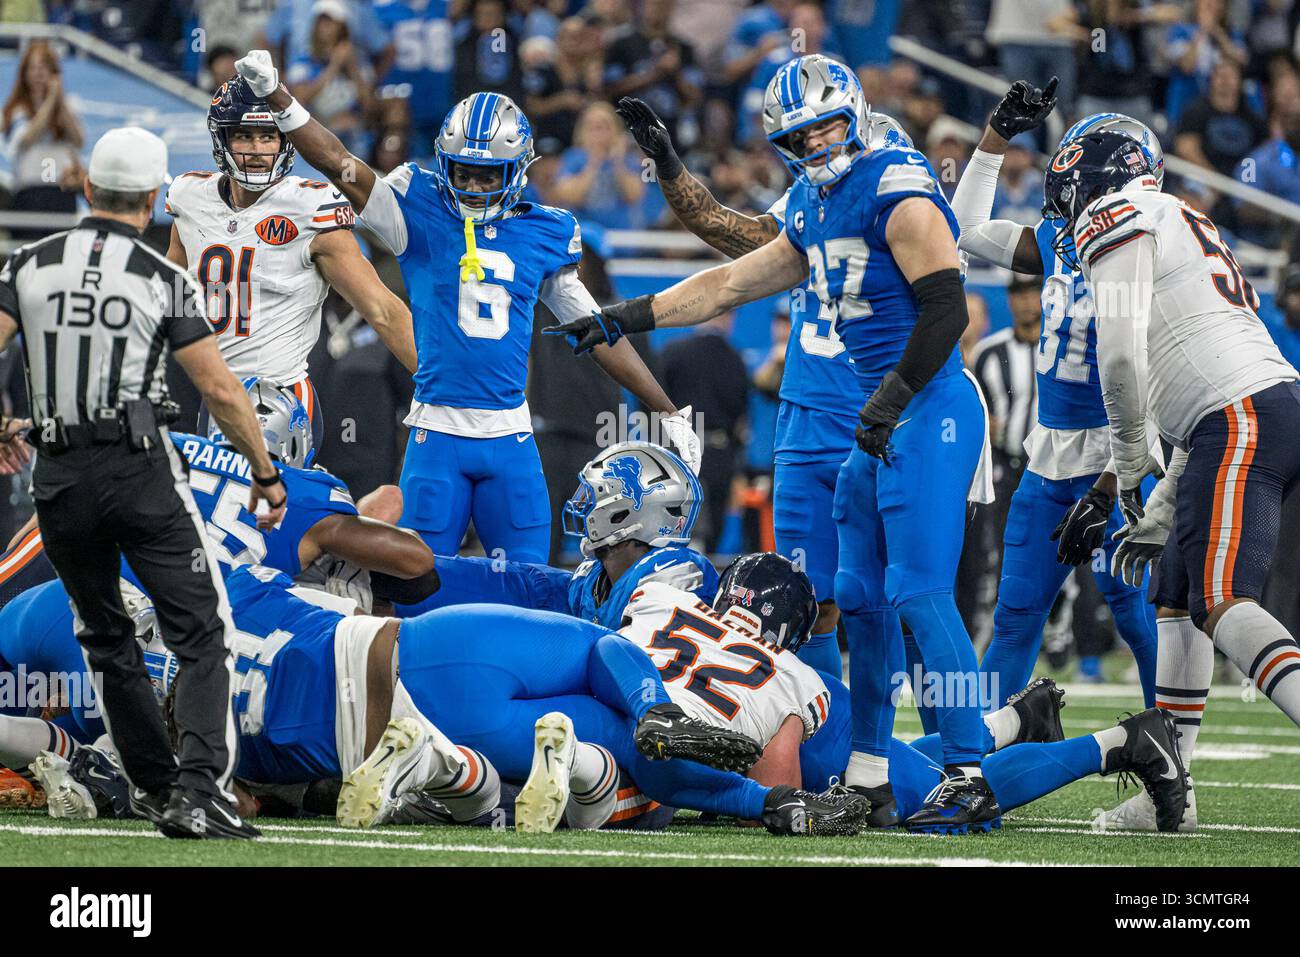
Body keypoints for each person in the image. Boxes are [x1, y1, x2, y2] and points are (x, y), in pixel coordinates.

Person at [547, 55, 1002, 834]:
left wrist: (888, 401)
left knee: (916, 592)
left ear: (854, 113)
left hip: (927, 408)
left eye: (824, 123)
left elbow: (948, 312)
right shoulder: (815, 205)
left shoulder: (897, 182)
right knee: (850, 596)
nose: (816, 141)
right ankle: (865, 769)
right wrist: (624, 315)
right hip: (882, 416)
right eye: (799, 133)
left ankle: (968, 771)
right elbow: (729, 283)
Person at [233, 50, 700, 564]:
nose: (474, 187)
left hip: (511, 437)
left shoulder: (545, 231)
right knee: (419, 589)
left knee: (526, 585)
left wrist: (667, 410)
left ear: (518, 169)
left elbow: (596, 333)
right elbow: (342, 165)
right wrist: (279, 98)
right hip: (436, 434)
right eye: (464, 172)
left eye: (488, 174)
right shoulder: (419, 203)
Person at [0, 127, 285, 840]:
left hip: (58, 472)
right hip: (138, 466)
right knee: (200, 627)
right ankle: (197, 791)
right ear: (155, 198)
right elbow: (219, 388)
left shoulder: (26, 264)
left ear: (88, 189)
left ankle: (155, 787)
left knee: (104, 633)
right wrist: (265, 471)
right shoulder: (162, 275)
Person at [1047, 129, 1300, 833]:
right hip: (1246, 411)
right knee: (1178, 598)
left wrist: (1130, 466)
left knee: (1220, 600)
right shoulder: (1177, 216)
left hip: (1238, 415)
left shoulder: (1114, 216)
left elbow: (1122, 360)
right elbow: (1191, 379)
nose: (1066, 215)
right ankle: (1174, 792)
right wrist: (1159, 501)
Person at [615, 99, 917, 681]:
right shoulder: (807, 218)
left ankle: (889, 755)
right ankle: (827, 741)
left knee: (879, 598)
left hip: (876, 421)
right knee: (809, 603)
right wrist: (671, 165)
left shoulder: (907, 217)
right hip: (805, 425)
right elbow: (723, 233)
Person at [950, 89, 1159, 710]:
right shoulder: (1058, 241)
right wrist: (995, 136)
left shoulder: (1146, 247)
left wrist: (1120, 472)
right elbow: (962, 231)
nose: (1060, 190)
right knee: (1016, 616)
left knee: (1137, 617)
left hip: (1117, 455)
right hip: (1047, 457)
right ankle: (973, 764)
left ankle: (1173, 756)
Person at [0, 379, 439, 613]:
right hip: (207, 632)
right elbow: (417, 565)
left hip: (109, 596)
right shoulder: (304, 492)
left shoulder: (169, 443)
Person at [166, 76, 416, 446]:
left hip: (279, 398)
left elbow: (382, 309)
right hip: (208, 392)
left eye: (268, 136)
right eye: (244, 136)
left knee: (264, 501)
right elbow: (170, 298)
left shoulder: (308, 208)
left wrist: (444, 392)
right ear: (222, 139)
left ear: (286, 140)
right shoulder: (189, 197)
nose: (257, 150)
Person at [1, 41, 83, 237]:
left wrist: (60, 101)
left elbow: (78, 140)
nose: (38, 73)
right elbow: (28, 137)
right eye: (33, 67)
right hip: (30, 193)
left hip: (61, 193)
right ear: (24, 73)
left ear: (54, 72)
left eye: (44, 67)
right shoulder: (15, 110)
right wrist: (51, 100)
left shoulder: (67, 107)